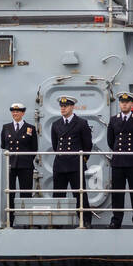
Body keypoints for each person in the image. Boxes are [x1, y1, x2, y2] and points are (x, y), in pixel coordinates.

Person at [106, 92, 133, 228]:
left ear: (132, 104)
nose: (124, 104)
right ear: (119, 104)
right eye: (122, 102)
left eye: (127, 102)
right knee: (117, 193)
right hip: (118, 162)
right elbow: (110, 141)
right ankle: (116, 219)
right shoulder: (114, 120)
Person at [49, 96, 93, 226]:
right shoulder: (56, 124)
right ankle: (57, 221)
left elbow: (87, 145)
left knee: (80, 194)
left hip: (75, 164)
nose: (63, 108)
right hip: (60, 164)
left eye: (66, 106)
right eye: (61, 106)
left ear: (72, 107)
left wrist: (82, 160)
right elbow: (55, 144)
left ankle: (85, 220)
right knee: (58, 194)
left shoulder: (81, 123)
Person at [1, 102, 37, 224]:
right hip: (10, 166)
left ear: (23, 113)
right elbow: (3, 146)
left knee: (26, 192)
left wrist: (26, 160)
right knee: (10, 193)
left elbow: (34, 148)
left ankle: (26, 221)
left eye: (18, 111)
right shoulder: (6, 127)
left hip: (25, 165)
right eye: (13, 111)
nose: (15, 113)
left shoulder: (30, 128)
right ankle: (9, 221)